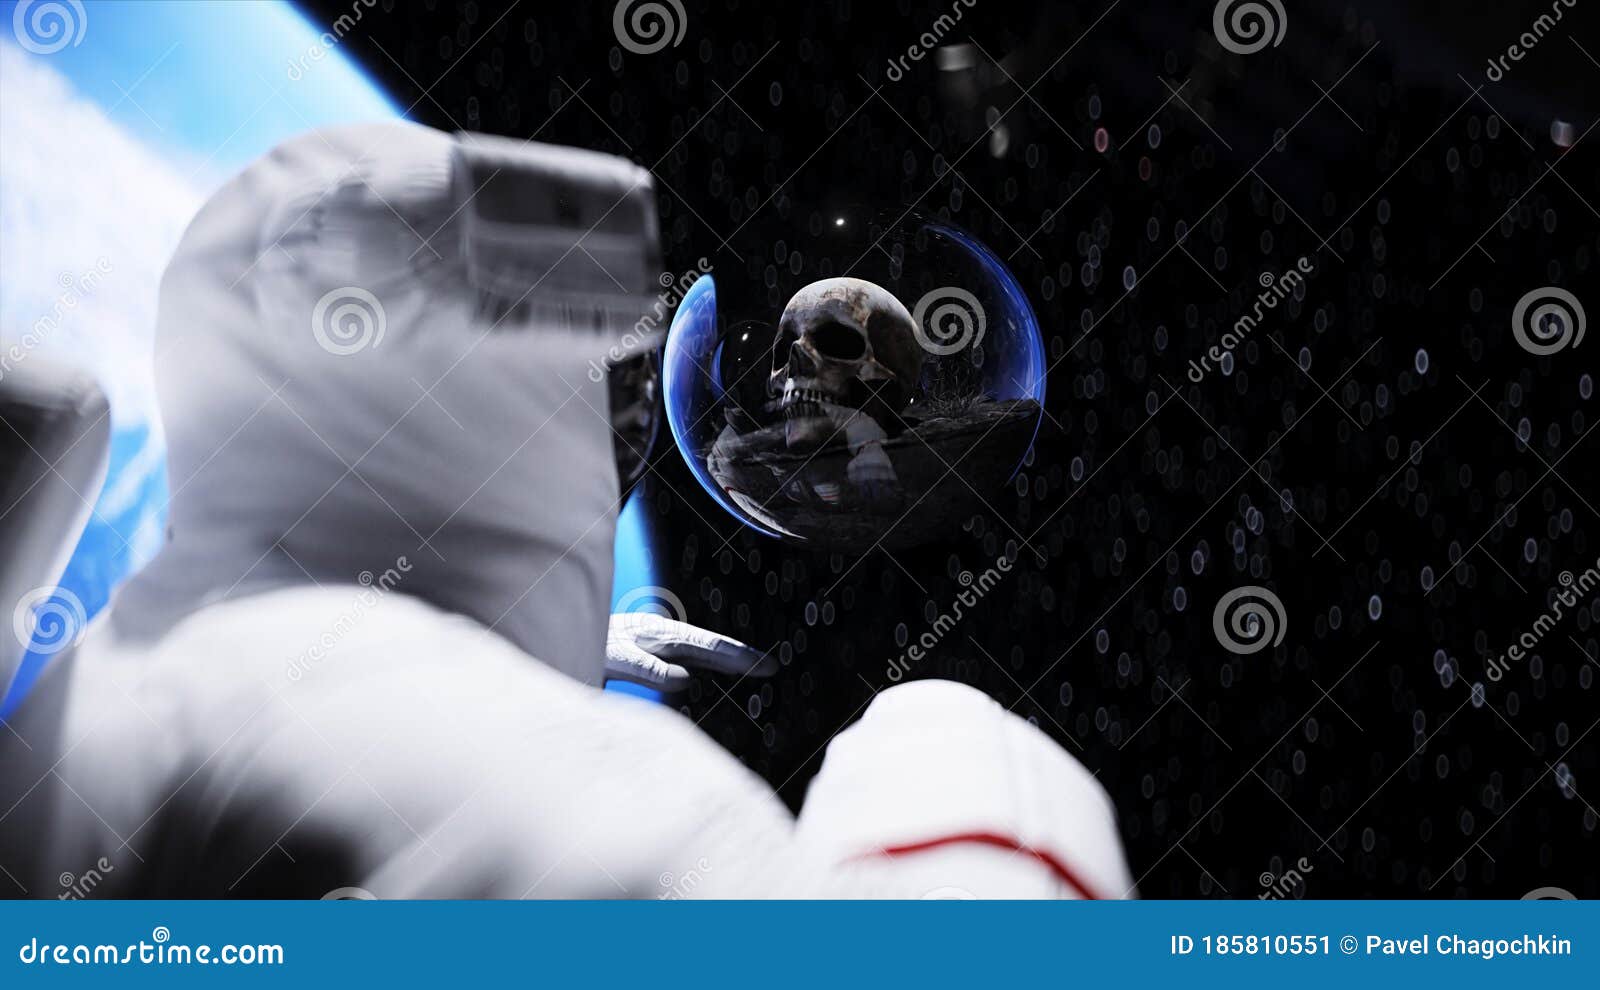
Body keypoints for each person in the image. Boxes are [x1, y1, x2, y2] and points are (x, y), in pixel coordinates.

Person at [0, 121, 1132, 899]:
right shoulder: (527, 776)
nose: (635, 406)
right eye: (604, 371)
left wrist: (499, 641)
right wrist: (972, 793)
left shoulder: (129, 659)